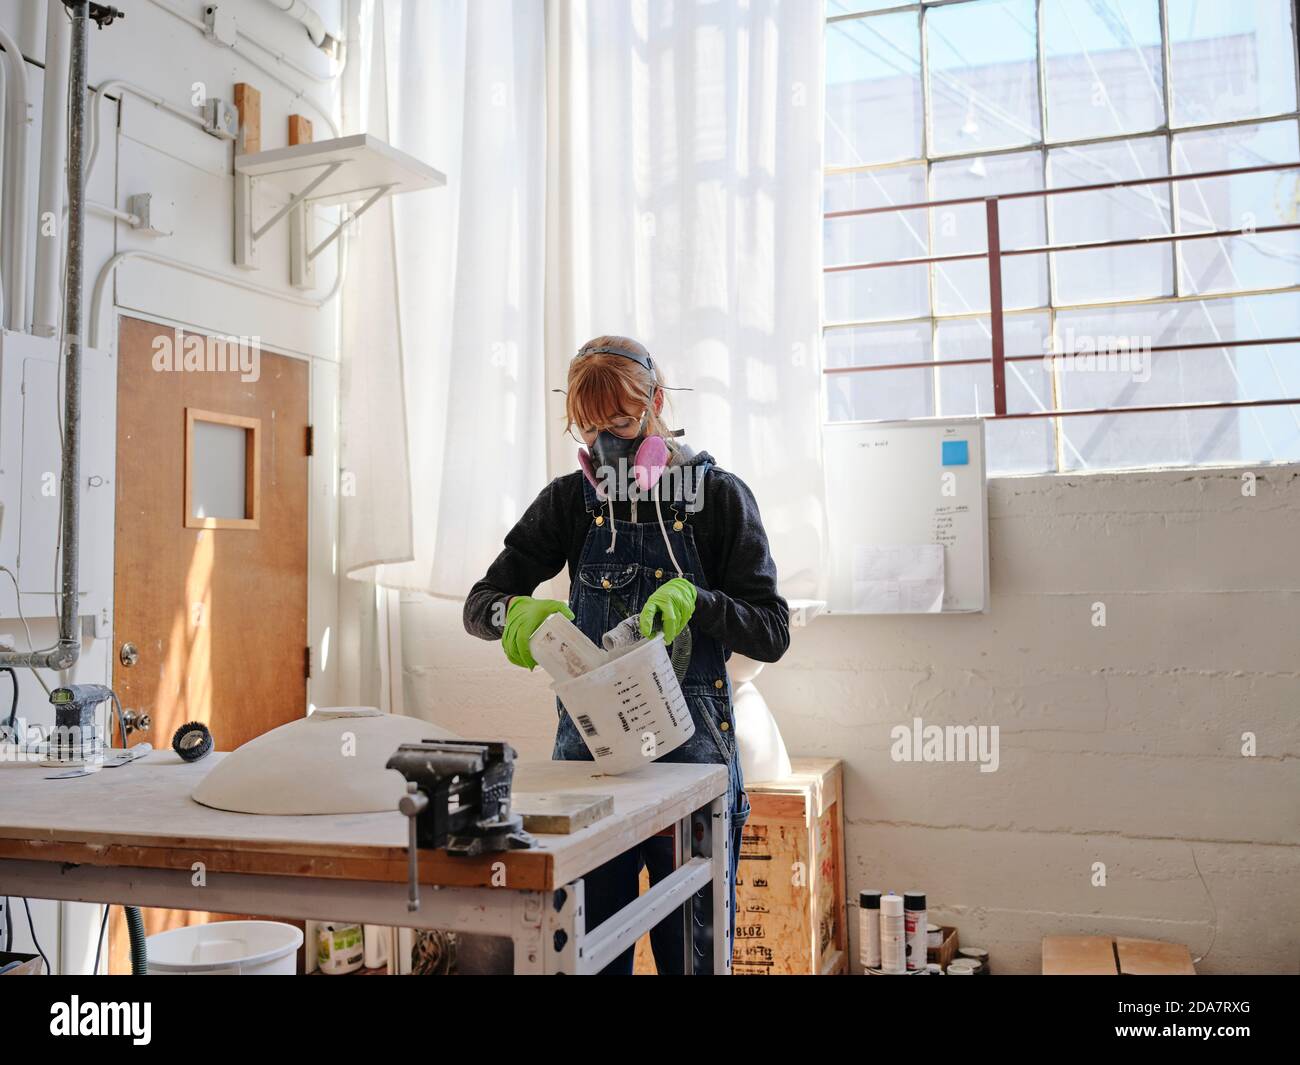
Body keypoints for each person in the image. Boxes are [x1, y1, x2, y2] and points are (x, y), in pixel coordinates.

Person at [464, 335, 789, 973]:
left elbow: (772, 630)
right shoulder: (569, 502)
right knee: (585, 956)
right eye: (589, 430)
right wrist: (515, 615)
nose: (606, 443)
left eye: (620, 422)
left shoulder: (718, 498)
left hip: (691, 770)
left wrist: (700, 600)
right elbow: (480, 602)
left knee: (692, 960)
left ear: (658, 405)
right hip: (590, 772)